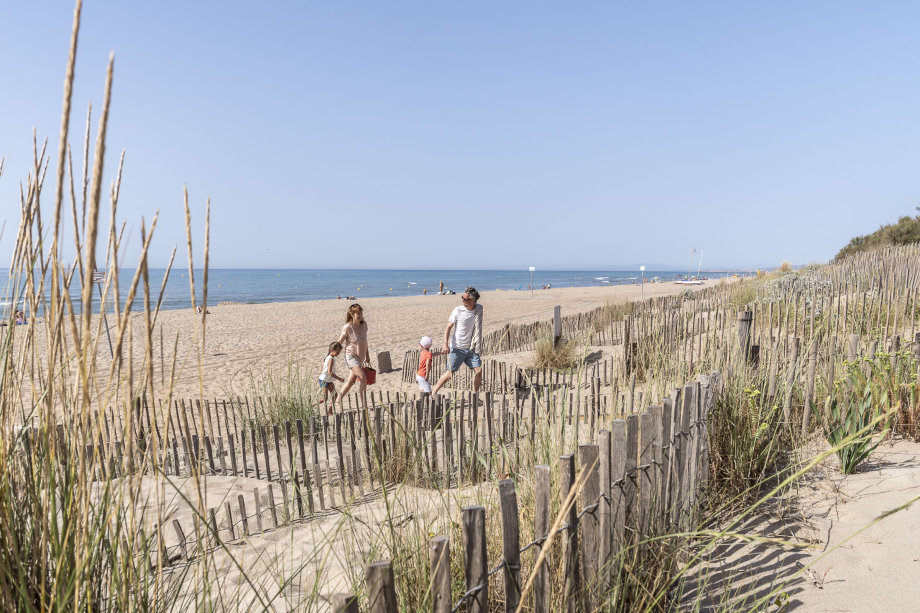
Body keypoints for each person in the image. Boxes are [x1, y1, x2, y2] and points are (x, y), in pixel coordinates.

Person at [432, 287, 483, 395]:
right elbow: (448, 328)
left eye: (465, 299)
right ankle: (433, 392)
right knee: (450, 374)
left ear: (473, 301)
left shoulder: (479, 309)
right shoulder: (458, 310)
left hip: (471, 348)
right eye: (462, 298)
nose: (463, 300)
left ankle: (475, 395)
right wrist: (445, 345)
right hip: (457, 348)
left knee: (478, 372)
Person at [336, 303, 371, 409]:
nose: (360, 315)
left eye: (361, 313)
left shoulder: (364, 325)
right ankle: (363, 404)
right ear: (352, 314)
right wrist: (332, 355)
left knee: (350, 382)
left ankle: (337, 400)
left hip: (360, 357)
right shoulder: (347, 327)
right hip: (351, 356)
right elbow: (339, 342)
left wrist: (367, 355)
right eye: (358, 313)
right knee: (363, 378)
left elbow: (365, 341)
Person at [318, 342, 345, 408]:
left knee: (335, 395)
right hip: (324, 380)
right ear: (332, 350)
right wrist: (339, 378)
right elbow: (329, 372)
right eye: (337, 352)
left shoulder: (327, 357)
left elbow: (322, 366)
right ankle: (311, 405)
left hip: (328, 380)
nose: (338, 354)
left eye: (339, 352)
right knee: (324, 399)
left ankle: (330, 410)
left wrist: (320, 373)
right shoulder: (330, 359)